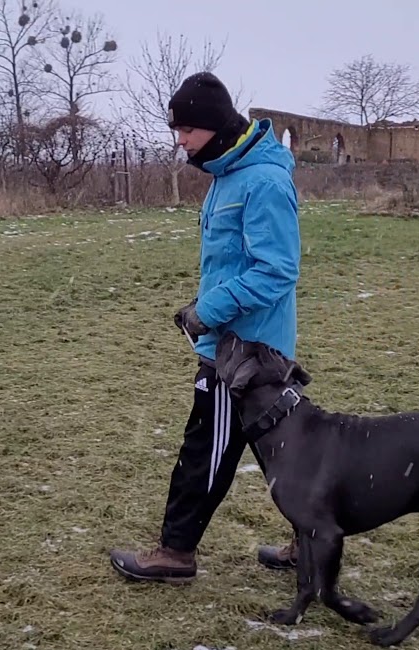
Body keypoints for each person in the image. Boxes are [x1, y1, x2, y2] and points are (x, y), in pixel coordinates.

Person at [109, 71, 302, 583]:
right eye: (177, 129)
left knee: (206, 449)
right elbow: (232, 263)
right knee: (281, 450)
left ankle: (176, 553)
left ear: (216, 126)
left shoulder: (263, 181)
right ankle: (312, 542)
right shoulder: (228, 176)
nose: (180, 140)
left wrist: (209, 312)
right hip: (232, 338)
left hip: (247, 351)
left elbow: (276, 270)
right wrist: (202, 304)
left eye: (188, 129)